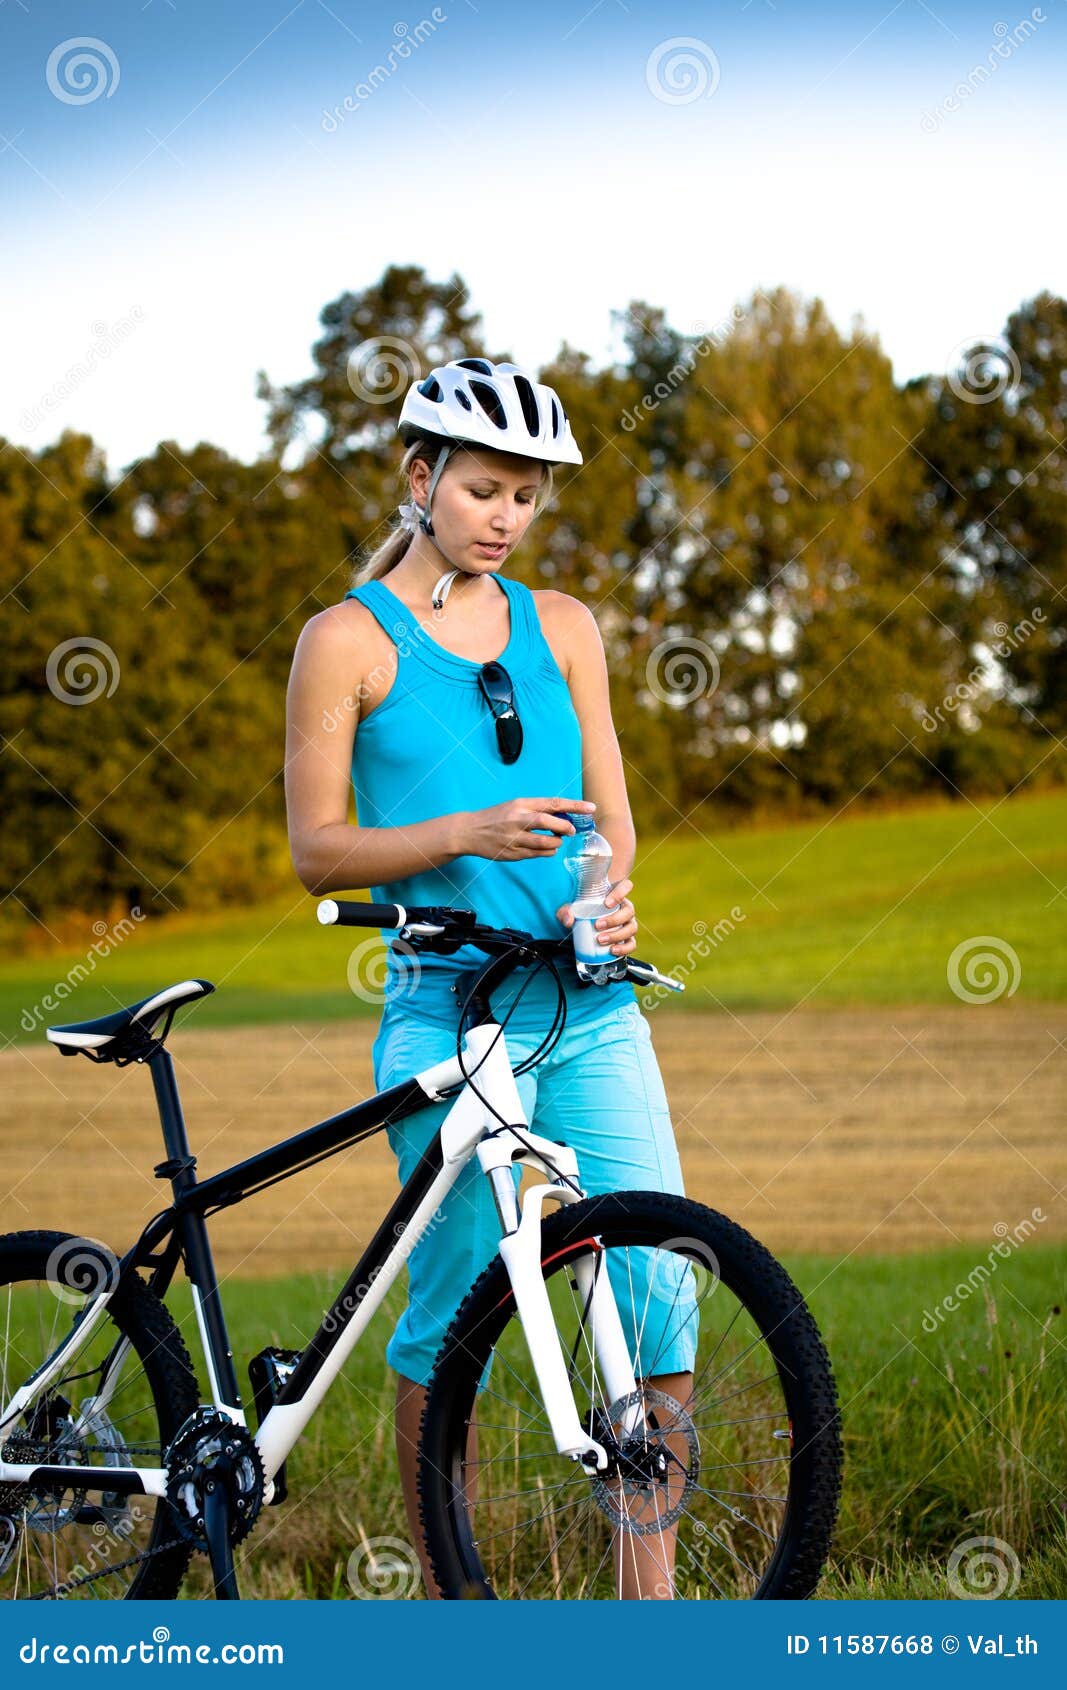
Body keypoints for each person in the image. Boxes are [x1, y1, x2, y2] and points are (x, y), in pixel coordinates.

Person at [285, 356, 695, 1597]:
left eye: (528, 493)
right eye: (484, 487)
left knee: (657, 1280)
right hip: (444, 1011)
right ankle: (453, 1597)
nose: (509, 514)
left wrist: (607, 892)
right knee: (457, 1307)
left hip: (589, 1007)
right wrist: (463, 834)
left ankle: (654, 1613)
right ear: (420, 479)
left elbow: (610, 817)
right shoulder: (345, 640)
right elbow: (317, 846)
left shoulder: (563, 624)